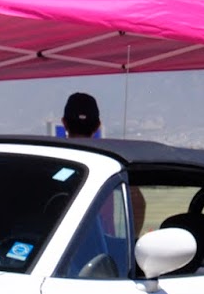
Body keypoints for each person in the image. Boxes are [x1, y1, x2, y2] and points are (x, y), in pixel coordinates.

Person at [62, 91, 146, 233]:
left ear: (64, 123)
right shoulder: (109, 163)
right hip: (102, 244)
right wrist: (131, 240)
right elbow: (137, 203)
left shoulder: (54, 162)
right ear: (98, 126)